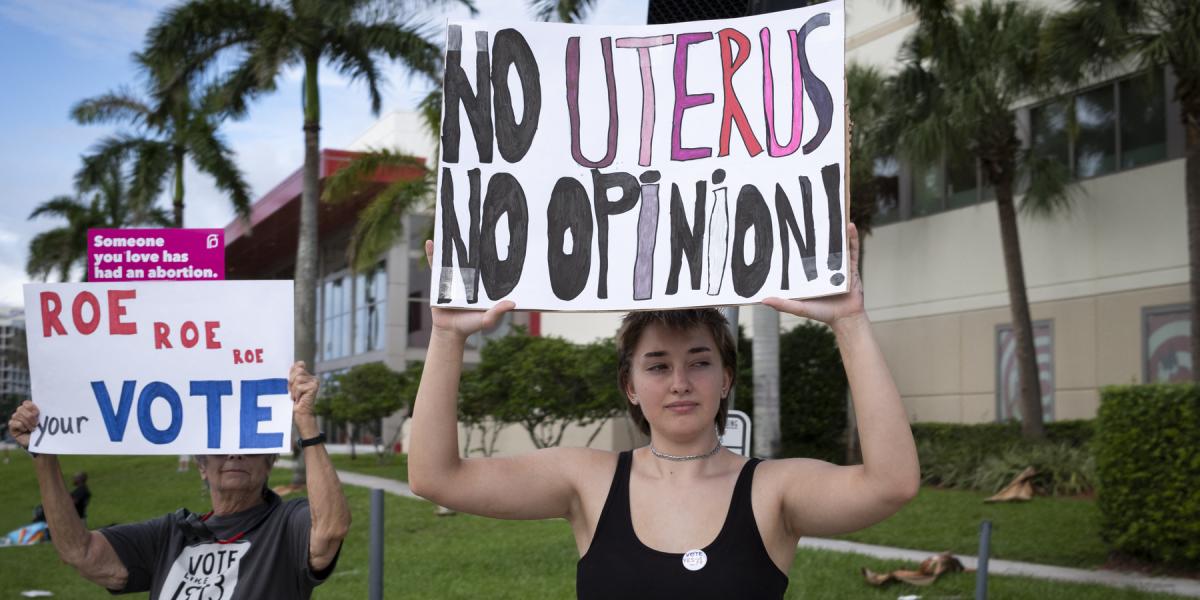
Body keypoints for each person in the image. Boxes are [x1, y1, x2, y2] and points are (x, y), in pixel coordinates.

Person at [407, 224, 920, 598]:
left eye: (699, 363)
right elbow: (435, 477)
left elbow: (892, 484)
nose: (679, 383)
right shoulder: (587, 480)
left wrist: (849, 322)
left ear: (726, 379)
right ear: (629, 386)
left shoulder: (773, 491)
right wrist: (448, 336)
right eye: (657, 367)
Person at [7, 361, 350, 599]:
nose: (233, 453)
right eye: (219, 446)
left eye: (248, 445)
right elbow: (78, 552)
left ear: (270, 460)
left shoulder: (286, 526)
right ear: (201, 465)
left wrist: (305, 422)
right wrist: (43, 454)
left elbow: (331, 529)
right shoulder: (171, 534)